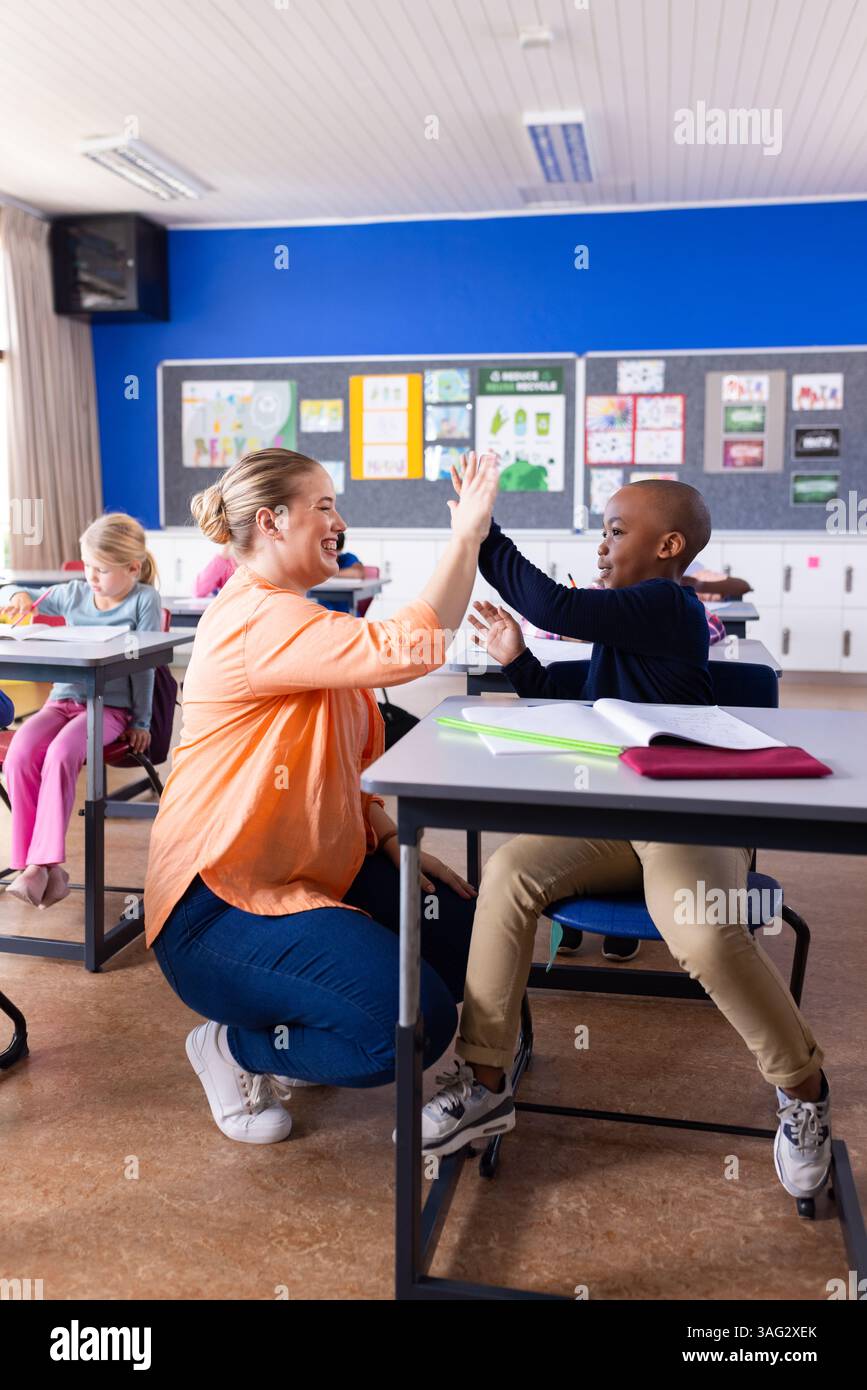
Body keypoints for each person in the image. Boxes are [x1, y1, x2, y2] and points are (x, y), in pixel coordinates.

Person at [420, 477, 830, 1206]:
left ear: (667, 548)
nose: (600, 545)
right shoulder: (625, 625)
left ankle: (802, 1089)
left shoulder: (667, 603)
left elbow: (557, 605)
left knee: (701, 934)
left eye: (614, 531)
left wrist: (482, 533)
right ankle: (483, 1080)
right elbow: (579, 708)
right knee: (510, 870)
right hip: (611, 816)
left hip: (687, 815)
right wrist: (516, 658)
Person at [144, 447, 500, 1144]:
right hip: (215, 906)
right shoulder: (257, 619)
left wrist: (392, 838)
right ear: (273, 523)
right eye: (324, 506)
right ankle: (234, 1049)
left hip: (307, 872)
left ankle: (302, 1016)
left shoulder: (301, 620)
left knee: (466, 934)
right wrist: (466, 539)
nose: (340, 521)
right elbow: (412, 646)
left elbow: (343, 764)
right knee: (407, 1026)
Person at [0, 514, 162, 908]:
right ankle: (34, 866)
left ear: (132, 568)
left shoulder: (144, 600)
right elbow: (14, 588)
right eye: (87, 565)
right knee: (20, 753)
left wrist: (141, 720)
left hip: (110, 709)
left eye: (102, 570)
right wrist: (17, 597)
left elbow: (145, 666)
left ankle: (43, 863)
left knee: (60, 754)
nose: (91, 576)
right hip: (61, 702)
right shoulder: (74, 593)